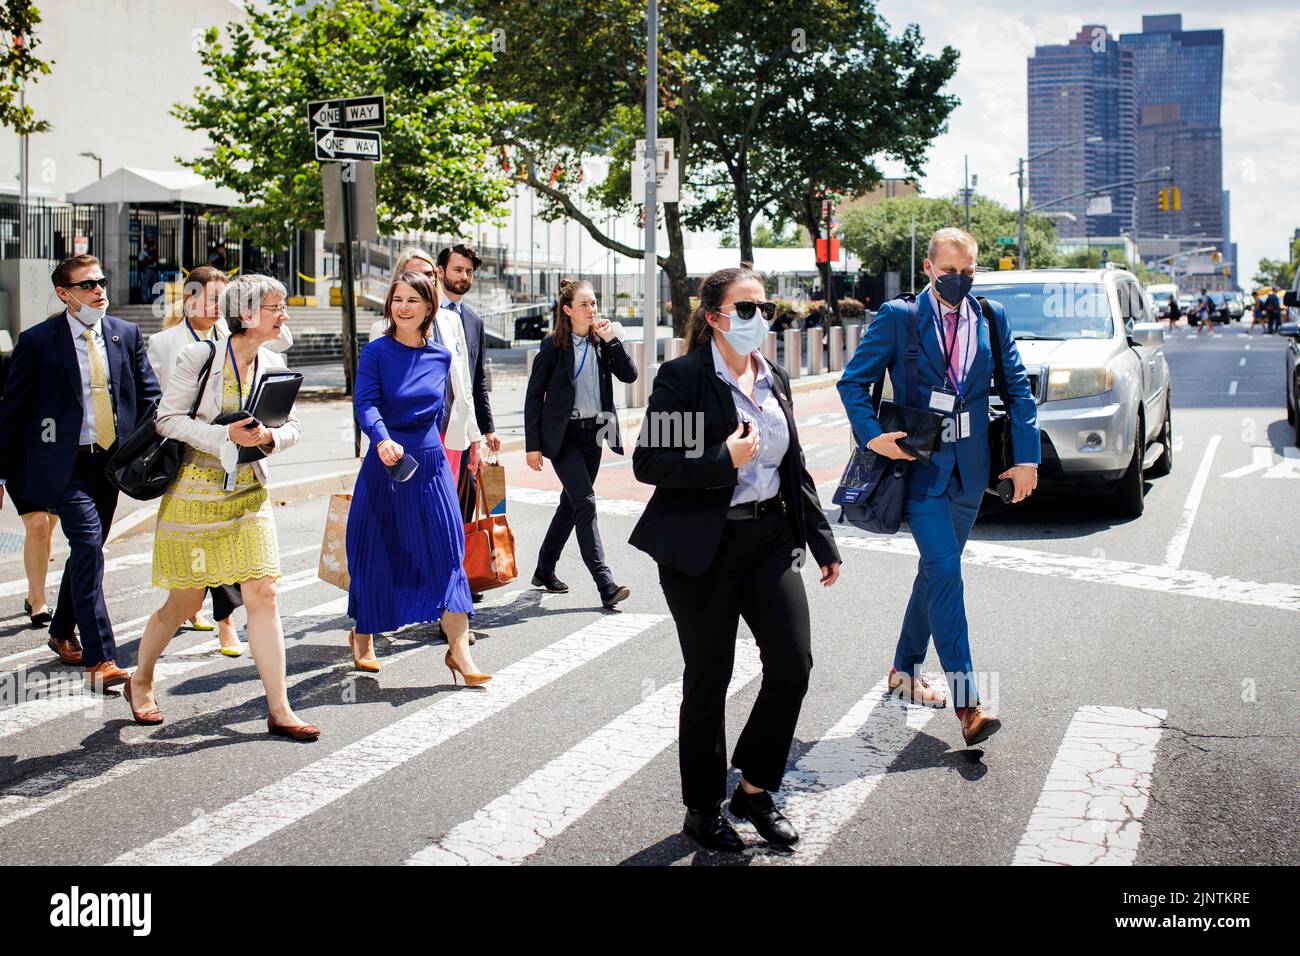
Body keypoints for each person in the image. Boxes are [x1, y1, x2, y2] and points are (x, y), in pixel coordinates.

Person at [629, 266, 841, 852]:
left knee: (792, 665)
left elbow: (791, 466)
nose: (759, 319)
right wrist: (721, 457)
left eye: (764, 308)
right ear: (715, 317)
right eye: (746, 308)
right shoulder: (683, 379)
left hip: (769, 539)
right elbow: (650, 464)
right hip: (704, 549)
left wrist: (821, 540)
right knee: (709, 679)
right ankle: (701, 809)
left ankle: (753, 788)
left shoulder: (774, 376)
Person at [837, 227, 1039, 748]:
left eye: (968, 271)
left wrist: (1026, 458)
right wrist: (874, 437)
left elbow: (1017, 391)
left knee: (934, 574)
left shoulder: (991, 317)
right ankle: (969, 705)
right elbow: (852, 383)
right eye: (949, 271)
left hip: (972, 471)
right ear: (928, 269)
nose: (959, 280)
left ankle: (903, 671)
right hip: (920, 466)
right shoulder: (900, 318)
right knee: (947, 574)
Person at [126, 274, 319, 739]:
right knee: (184, 602)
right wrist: (222, 435)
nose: (284, 314)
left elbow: (292, 423)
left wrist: (272, 437)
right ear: (247, 314)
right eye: (277, 306)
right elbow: (167, 419)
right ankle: (141, 677)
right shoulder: (201, 356)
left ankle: (280, 708)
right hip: (195, 493)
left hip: (249, 492)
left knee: (265, 594)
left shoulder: (273, 360)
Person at [0, 254, 161, 684]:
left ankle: (59, 631)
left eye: (101, 282)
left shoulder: (124, 334)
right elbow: (12, 413)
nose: (99, 291)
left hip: (111, 466)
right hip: (61, 466)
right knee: (89, 546)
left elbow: (149, 400)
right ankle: (100, 659)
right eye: (88, 285)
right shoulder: (37, 342)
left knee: (85, 553)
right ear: (64, 294)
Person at [344, 272, 486, 685]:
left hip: (431, 464)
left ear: (429, 307)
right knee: (376, 551)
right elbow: (365, 404)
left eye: (412, 300)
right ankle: (364, 633)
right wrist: (382, 439)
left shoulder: (441, 356)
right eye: (397, 299)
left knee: (448, 550)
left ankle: (459, 651)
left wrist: (474, 441)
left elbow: (452, 408)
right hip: (386, 465)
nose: (402, 307)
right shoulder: (376, 353)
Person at [525, 278, 637, 609]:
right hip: (565, 437)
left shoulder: (602, 342)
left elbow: (629, 375)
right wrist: (533, 445)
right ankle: (606, 584)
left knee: (570, 505)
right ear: (568, 310)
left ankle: (544, 569)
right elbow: (534, 397)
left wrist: (612, 340)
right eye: (585, 304)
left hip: (596, 434)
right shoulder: (552, 347)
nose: (592, 309)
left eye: (594, 303)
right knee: (585, 503)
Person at [0, 343, 59, 628]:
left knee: (48, 528)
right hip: (19, 460)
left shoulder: (73, 368)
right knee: (37, 526)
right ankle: (38, 602)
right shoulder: (8, 362)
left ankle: (33, 590)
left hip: (55, 460)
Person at [370, 246, 437, 341]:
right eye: (413, 276)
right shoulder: (380, 330)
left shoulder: (453, 320)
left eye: (428, 274)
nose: (422, 281)